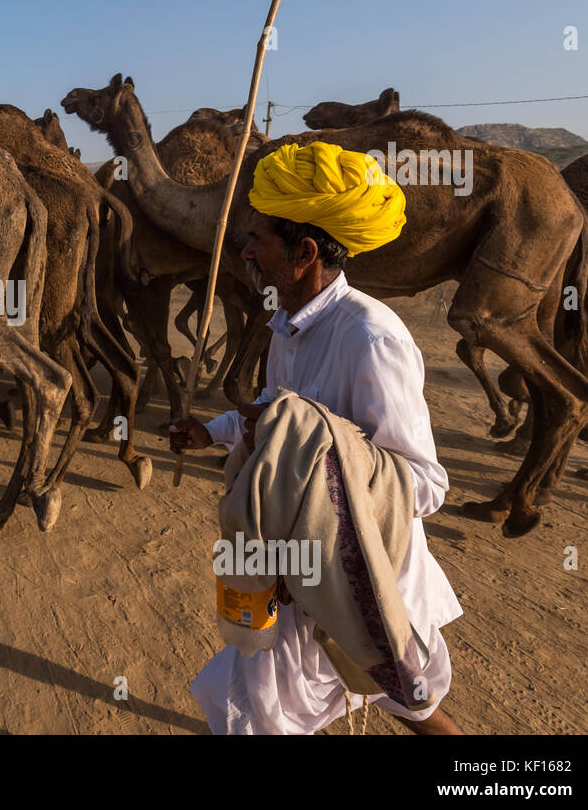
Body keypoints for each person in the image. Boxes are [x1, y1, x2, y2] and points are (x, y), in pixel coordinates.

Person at [172, 141, 463, 735]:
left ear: (304, 252)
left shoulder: (371, 339)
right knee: (387, 704)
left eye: (259, 239)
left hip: (361, 578)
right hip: (300, 573)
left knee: (396, 701)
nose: (246, 250)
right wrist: (212, 432)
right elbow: (276, 426)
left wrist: (325, 455)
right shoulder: (289, 326)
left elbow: (426, 485)